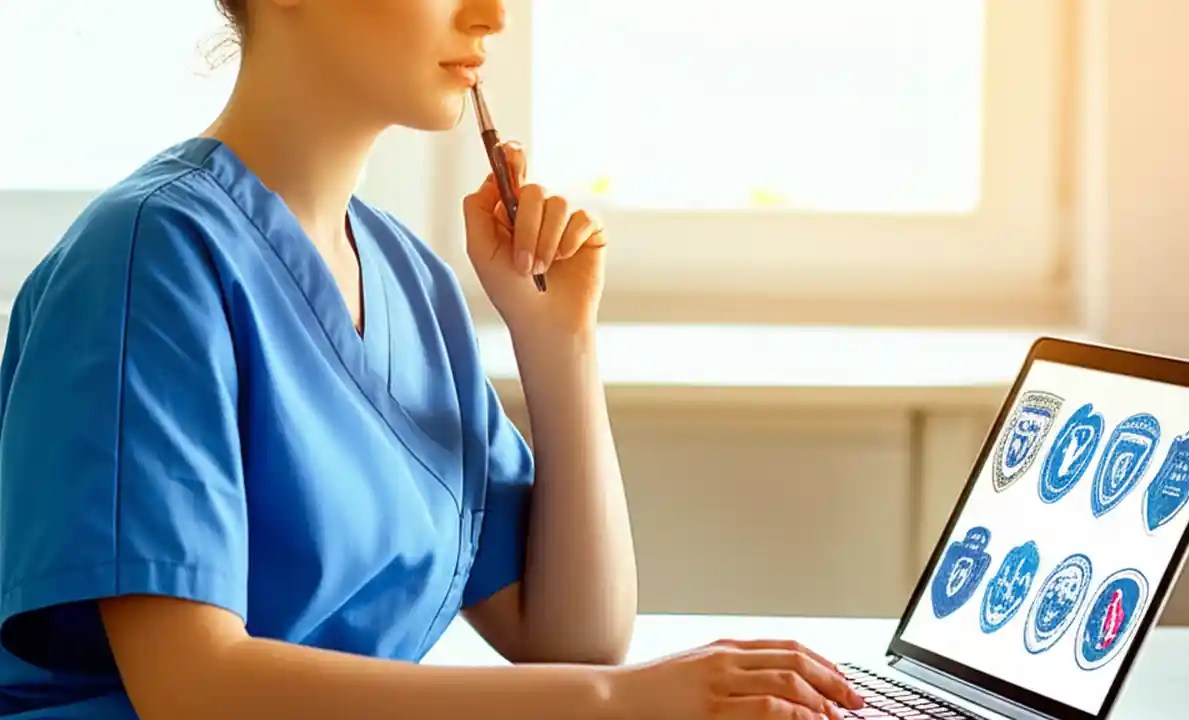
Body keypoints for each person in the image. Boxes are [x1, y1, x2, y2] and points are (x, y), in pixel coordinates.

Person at [0, 1, 863, 718]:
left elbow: (571, 637)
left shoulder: (413, 281)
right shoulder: (150, 257)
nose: (491, 17)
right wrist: (617, 702)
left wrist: (559, 344)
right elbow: (193, 690)